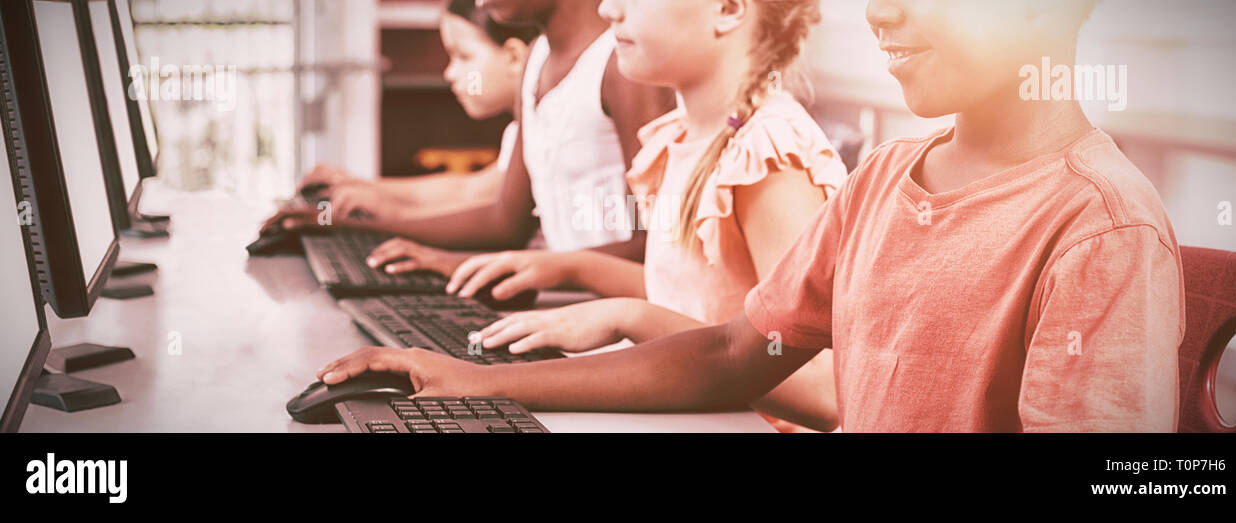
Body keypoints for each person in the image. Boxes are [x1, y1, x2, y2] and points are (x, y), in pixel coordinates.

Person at [317, 0, 1184, 433]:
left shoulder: (1102, 232)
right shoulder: (883, 176)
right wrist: (472, 379)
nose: (881, 10)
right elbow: (737, 351)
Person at [439, 0, 844, 432]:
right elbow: (695, 298)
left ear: (727, 9)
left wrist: (630, 317)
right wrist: (572, 268)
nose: (609, 9)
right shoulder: (682, 138)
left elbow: (820, 389)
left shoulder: (769, 156)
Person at [263, 0, 676, 275]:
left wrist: (474, 262)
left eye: (463, 57)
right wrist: (342, 224)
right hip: (564, 308)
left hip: (613, 327)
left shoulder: (619, 65)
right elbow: (503, 221)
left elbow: (657, 242)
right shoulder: (537, 60)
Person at [296, 0, 539, 222]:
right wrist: (359, 185)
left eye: (463, 56)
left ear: (514, 58)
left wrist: (389, 211)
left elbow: (475, 198)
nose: (449, 73)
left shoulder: (539, 129)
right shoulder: (517, 131)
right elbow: (467, 189)